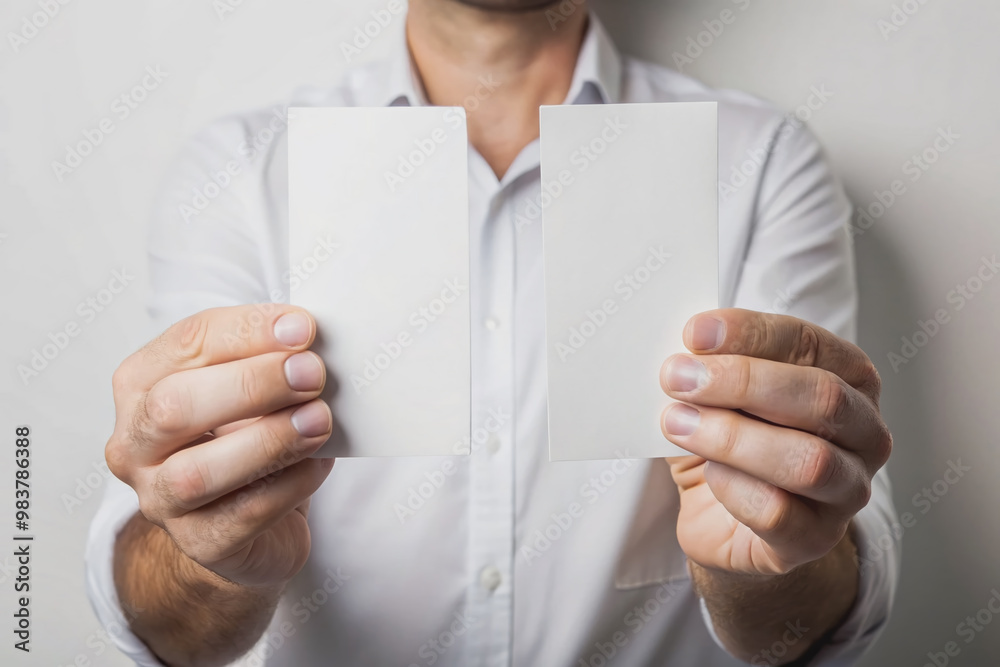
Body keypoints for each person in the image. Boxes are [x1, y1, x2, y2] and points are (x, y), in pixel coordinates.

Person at [87, 1, 899, 665]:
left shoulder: (760, 162)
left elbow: (818, 603)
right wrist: (209, 559)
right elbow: (166, 620)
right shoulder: (238, 171)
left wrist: (760, 564)